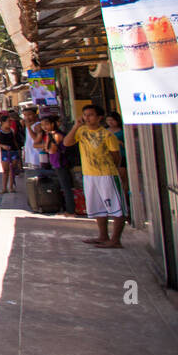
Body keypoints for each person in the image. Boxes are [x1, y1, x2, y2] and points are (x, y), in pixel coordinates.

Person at [62, 104, 125, 248]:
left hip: (106, 174)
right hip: (89, 175)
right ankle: (103, 236)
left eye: (90, 115)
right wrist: (75, 126)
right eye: (85, 115)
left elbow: (116, 156)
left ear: (99, 118)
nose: (87, 118)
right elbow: (67, 142)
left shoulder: (108, 135)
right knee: (98, 207)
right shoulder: (82, 131)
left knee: (116, 207)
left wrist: (110, 170)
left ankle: (116, 239)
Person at [105, 110, 131, 223]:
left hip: (122, 157)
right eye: (108, 120)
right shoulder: (105, 131)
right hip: (108, 159)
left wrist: (119, 142)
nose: (110, 122)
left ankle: (125, 204)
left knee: (122, 181)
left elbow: (129, 145)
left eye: (112, 120)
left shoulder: (123, 131)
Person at [0, 112, 20, 193]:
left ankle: (11, 187)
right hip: (4, 152)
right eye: (9, 121)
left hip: (13, 151)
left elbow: (14, 141)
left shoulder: (11, 130)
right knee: (5, 171)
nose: (10, 123)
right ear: (3, 122)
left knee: (12, 170)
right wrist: (2, 146)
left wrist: (18, 151)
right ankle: (4, 188)